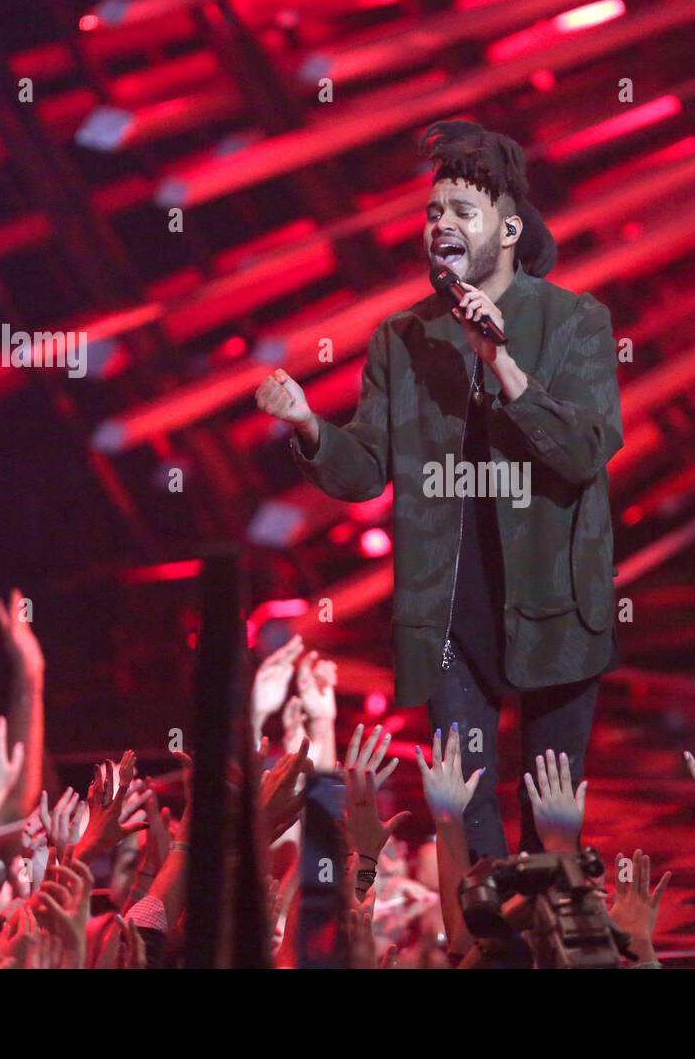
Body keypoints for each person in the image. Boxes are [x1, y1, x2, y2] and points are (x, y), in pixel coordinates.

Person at [256, 119, 623, 860]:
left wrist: (504, 365)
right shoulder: (403, 336)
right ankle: (491, 946)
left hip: (557, 607)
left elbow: (585, 450)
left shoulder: (574, 321)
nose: (440, 226)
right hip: (450, 616)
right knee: (464, 809)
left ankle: (557, 942)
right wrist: (307, 425)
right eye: (432, 214)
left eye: (462, 211)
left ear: (509, 228)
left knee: (553, 817)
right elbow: (365, 468)